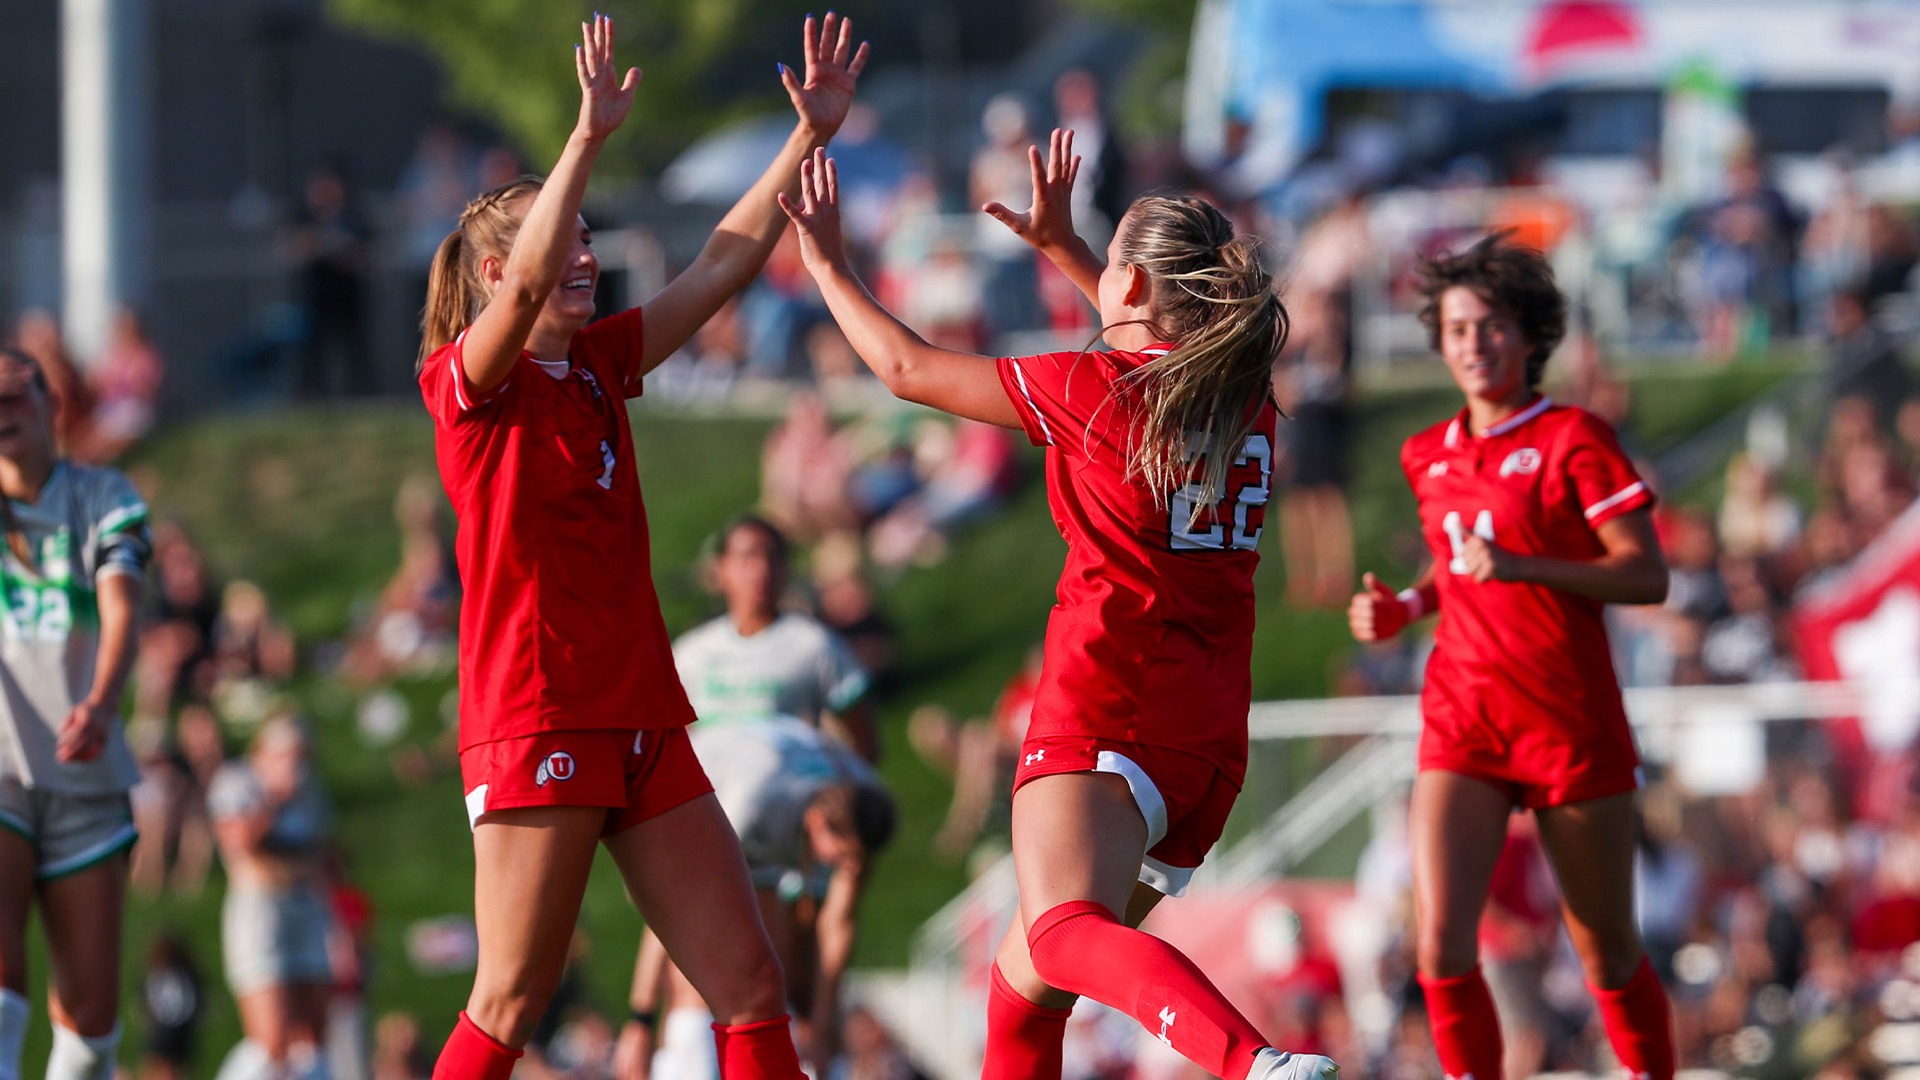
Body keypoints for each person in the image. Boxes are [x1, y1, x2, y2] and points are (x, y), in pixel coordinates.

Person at [779, 129, 1337, 1080]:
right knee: (1023, 988)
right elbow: (1161, 345)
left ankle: (1252, 1064)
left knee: (1063, 931)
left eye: (1112, 257)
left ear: (1127, 287)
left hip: (1108, 699)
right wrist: (1070, 249)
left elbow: (906, 369)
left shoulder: (1090, 386)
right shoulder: (1245, 400)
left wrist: (827, 263)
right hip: (1203, 738)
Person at [413, 14, 868, 1080]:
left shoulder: (598, 365)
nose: (583, 255)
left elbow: (721, 264)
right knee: (512, 1000)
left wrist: (807, 140)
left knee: (753, 988)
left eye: (584, 236)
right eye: (562, 238)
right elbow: (525, 295)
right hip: (540, 714)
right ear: (490, 269)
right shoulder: (469, 387)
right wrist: (583, 141)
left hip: (640, 715)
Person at [1346, 233, 1675, 1080]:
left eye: (1490, 326)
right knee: (1441, 943)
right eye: (1456, 328)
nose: (1472, 344)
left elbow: (1645, 576)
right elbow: (1453, 565)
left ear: (1530, 336)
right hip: (1464, 719)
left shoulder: (1574, 438)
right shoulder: (1426, 454)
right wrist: (1406, 608)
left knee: (1606, 955)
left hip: (1569, 722)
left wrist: (1528, 567)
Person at [0, 346, 152, 1080]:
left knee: (91, 1030)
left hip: (83, 764)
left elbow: (121, 605)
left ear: (49, 401)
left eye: (14, 394)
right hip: (1, 764)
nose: (3, 413)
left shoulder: (103, 497)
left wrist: (101, 700)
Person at [618, 717, 895, 1080]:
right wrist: (641, 1019)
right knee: (714, 961)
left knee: (773, 962)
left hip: (775, 773)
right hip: (703, 778)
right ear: (814, 822)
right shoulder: (749, 806)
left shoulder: (864, 795)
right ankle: (682, 1056)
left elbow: (839, 921)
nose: (848, 868)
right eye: (841, 857)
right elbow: (670, 911)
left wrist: (823, 1026)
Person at [674, 515, 875, 758]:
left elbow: (863, 745)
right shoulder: (690, 653)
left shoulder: (814, 644)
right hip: (715, 793)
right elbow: (677, 744)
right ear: (721, 568)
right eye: (747, 556)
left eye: (771, 557)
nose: (761, 569)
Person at [208, 715, 335, 1080]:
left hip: (307, 910)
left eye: (300, 755)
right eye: (286, 754)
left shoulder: (311, 788)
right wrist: (274, 798)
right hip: (259, 914)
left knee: (312, 1038)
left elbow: (322, 855)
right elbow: (239, 846)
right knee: (271, 1039)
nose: (295, 764)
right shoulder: (237, 781)